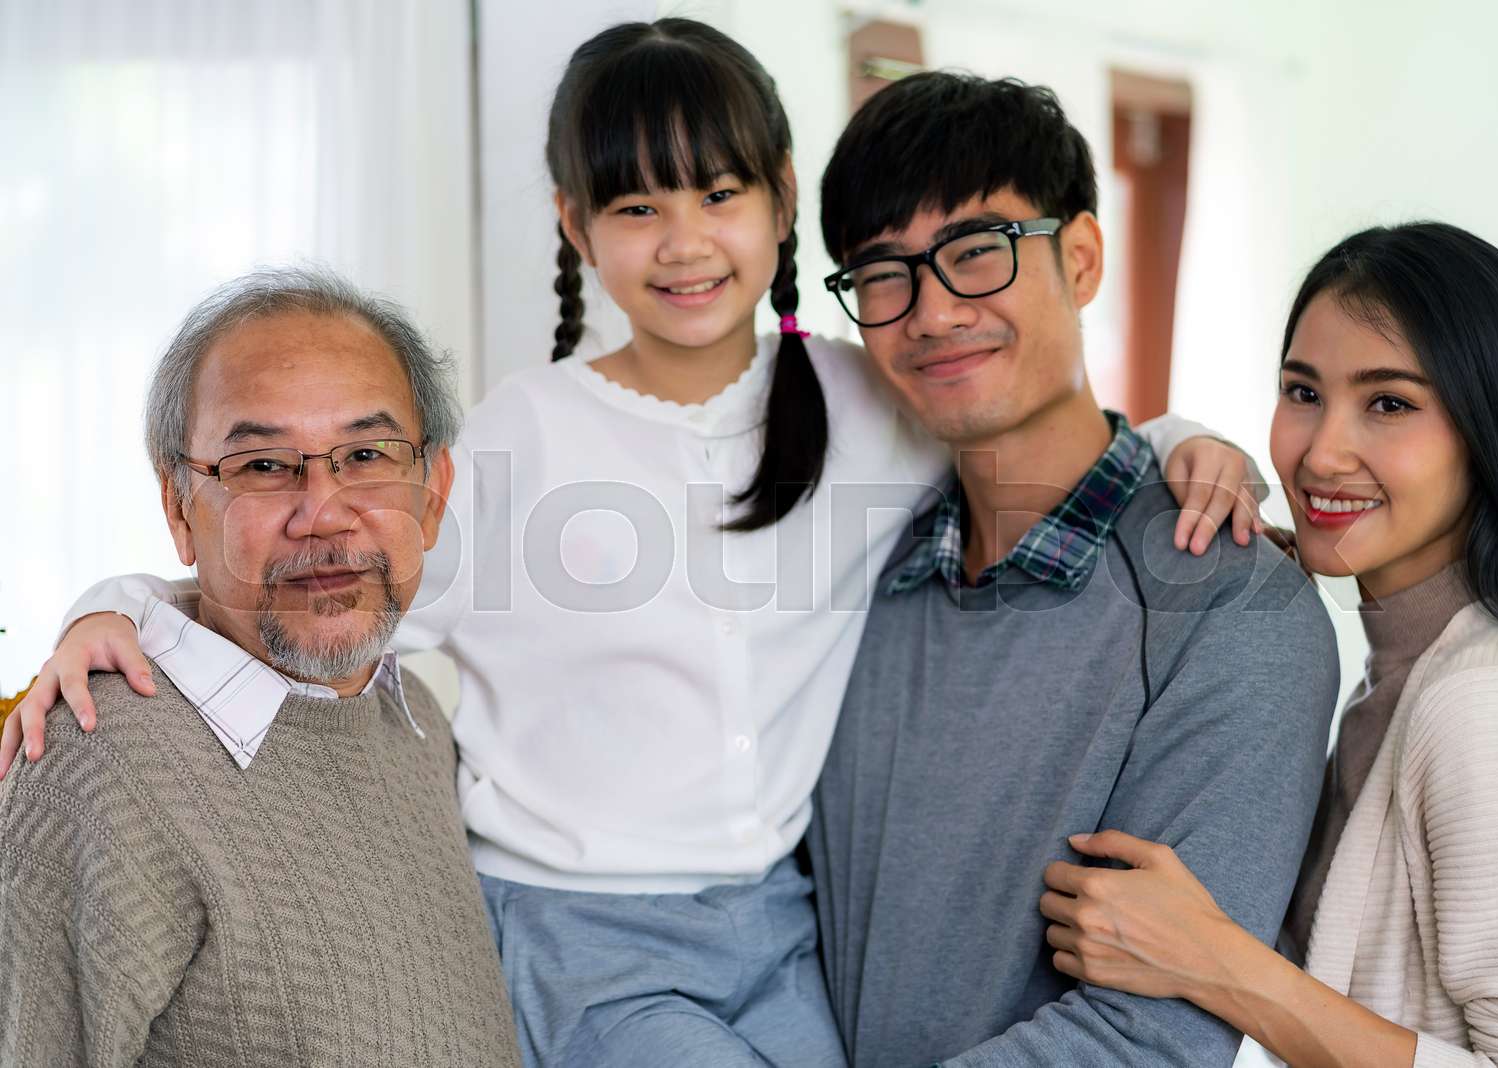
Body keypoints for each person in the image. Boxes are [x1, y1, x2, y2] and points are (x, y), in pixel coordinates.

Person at [1, 19, 1258, 1067]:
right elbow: (328, 571)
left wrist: (1188, 438)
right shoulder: (511, 442)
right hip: (580, 934)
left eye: (719, 194)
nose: (683, 241)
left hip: (780, 930)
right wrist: (114, 606)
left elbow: (1030, 425)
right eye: (636, 204)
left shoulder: (869, 407)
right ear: (575, 224)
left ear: (777, 202)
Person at [804, 71, 1339, 1067]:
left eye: (975, 250)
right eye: (884, 273)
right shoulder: (855, 569)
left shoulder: (1232, 609)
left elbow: (1150, 1036)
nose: (929, 312)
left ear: (1081, 258)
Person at [1038, 223, 1498, 1066]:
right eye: (1303, 393)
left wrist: (1214, 963)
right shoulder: (1408, 667)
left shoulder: (1484, 708)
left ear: (1491, 431)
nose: (1321, 452)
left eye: (1389, 403)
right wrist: (1188, 444)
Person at [0, 269, 521, 1066]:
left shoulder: (414, 718)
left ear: (431, 494)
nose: (322, 510)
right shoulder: (100, 760)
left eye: (368, 454)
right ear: (180, 509)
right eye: (265, 467)